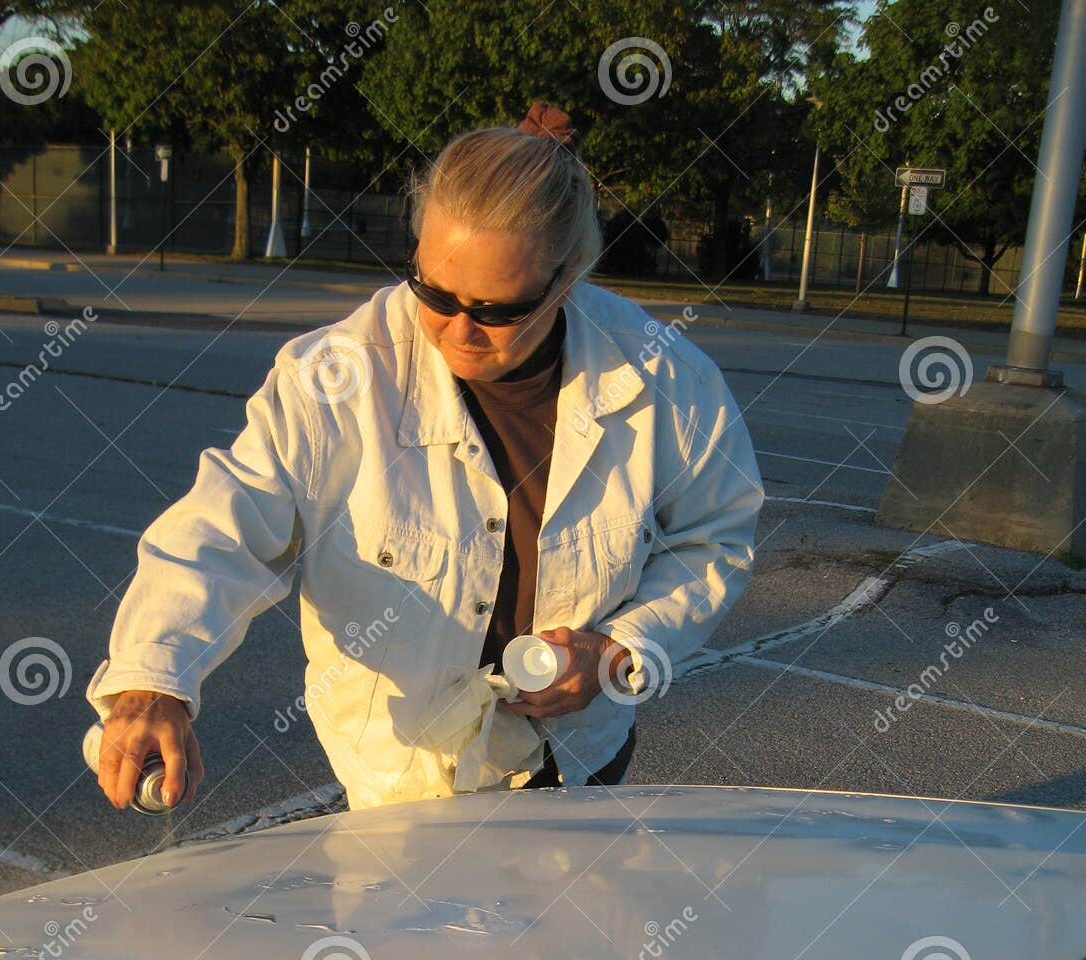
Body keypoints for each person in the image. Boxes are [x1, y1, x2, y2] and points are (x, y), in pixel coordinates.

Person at [87, 101, 763, 813]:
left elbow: (714, 536)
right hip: (402, 781)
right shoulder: (337, 380)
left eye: (497, 310)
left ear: (567, 279)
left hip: (581, 762)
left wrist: (620, 652)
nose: (456, 332)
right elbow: (223, 526)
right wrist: (152, 681)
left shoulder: (664, 379)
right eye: (433, 292)